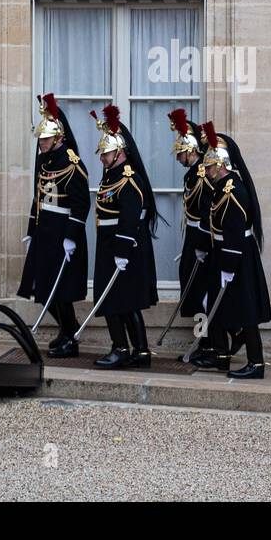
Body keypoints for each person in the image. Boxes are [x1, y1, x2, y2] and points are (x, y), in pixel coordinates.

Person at [195, 122, 271, 378]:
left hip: (236, 257)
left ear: (221, 165)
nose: (206, 171)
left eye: (209, 166)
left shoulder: (233, 191)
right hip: (223, 254)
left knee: (246, 311)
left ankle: (256, 363)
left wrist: (228, 266)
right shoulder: (221, 188)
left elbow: (235, 232)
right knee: (218, 306)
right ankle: (222, 356)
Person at [17, 93, 90, 358]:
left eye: (45, 138)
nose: (41, 142)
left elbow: (81, 204)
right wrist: (30, 230)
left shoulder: (72, 164)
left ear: (58, 138)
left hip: (62, 232)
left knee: (60, 290)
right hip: (44, 230)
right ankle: (67, 329)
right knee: (41, 286)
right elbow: (37, 198)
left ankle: (70, 336)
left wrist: (71, 235)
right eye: (40, 138)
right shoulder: (44, 160)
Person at [89, 105, 158, 369]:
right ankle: (135, 350)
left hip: (122, 250)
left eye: (106, 154)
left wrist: (121, 252)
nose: (102, 158)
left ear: (120, 152)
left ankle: (128, 349)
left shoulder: (128, 180)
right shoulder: (111, 178)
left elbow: (130, 220)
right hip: (110, 247)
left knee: (124, 302)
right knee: (116, 301)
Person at [167, 108, 213, 363]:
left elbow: (207, 213)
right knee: (194, 293)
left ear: (193, 150)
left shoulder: (203, 175)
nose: (179, 158)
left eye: (181, 153)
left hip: (201, 240)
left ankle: (207, 343)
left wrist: (202, 244)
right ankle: (201, 341)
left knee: (202, 295)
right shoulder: (192, 174)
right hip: (193, 237)